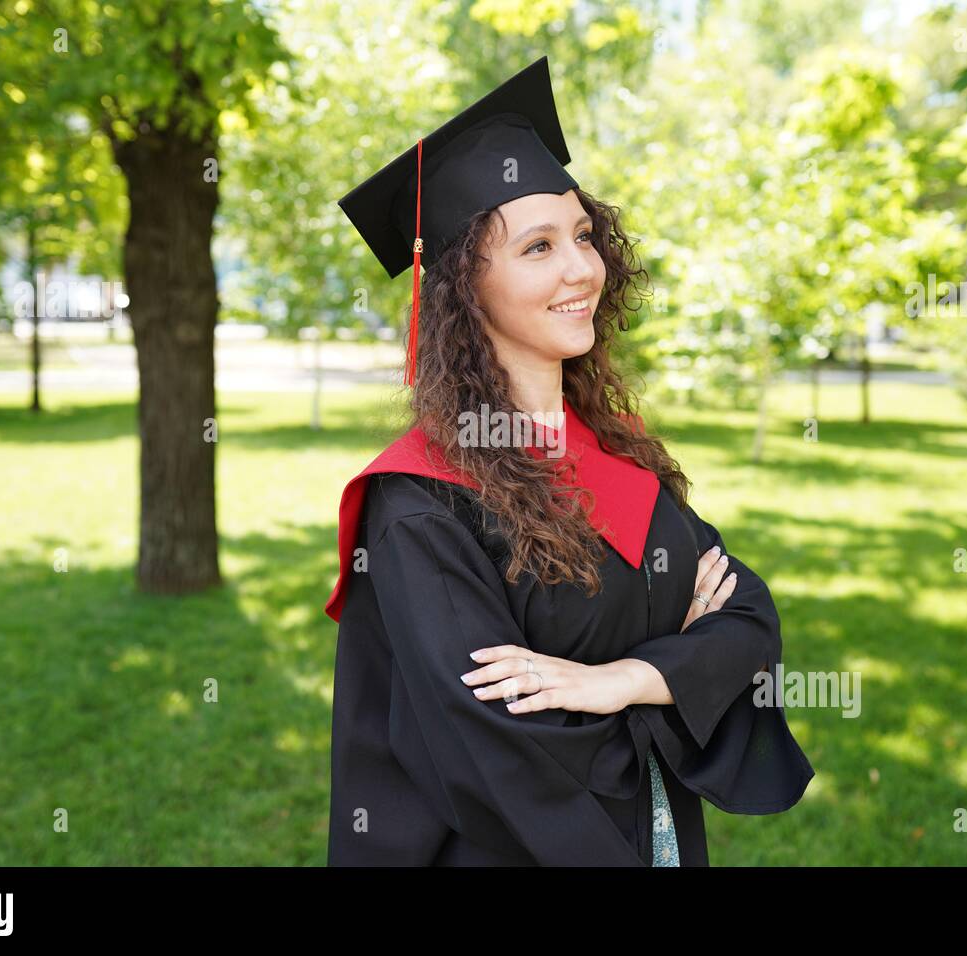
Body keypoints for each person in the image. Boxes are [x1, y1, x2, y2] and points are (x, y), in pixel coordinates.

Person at [325, 56, 814, 866]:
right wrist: (674, 673)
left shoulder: (612, 448)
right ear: (461, 289)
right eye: (538, 247)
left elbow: (750, 619)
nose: (582, 268)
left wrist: (613, 682)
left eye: (583, 235)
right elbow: (498, 761)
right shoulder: (422, 502)